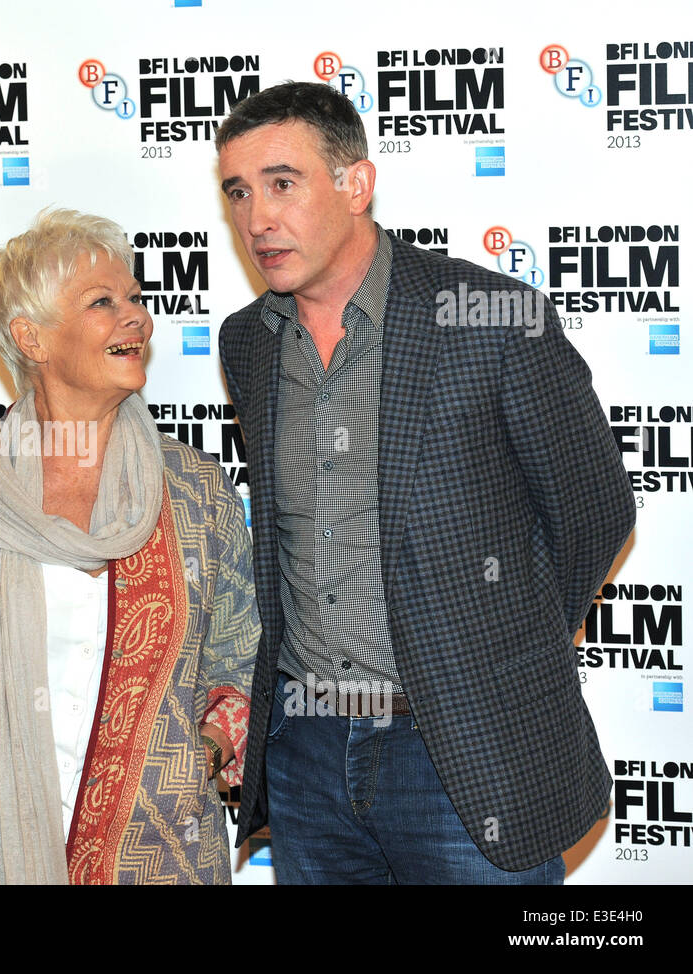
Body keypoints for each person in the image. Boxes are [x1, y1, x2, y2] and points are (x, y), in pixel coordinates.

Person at [216, 81, 634, 884]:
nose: (257, 217)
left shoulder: (489, 319)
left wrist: (500, 650)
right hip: (303, 751)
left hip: (458, 750)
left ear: (355, 184)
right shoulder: (250, 343)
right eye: (238, 192)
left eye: (282, 183)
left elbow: (595, 511)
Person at [0, 209, 260, 884]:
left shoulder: (193, 489)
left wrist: (204, 755)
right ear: (31, 338)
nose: (137, 319)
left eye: (136, 299)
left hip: (159, 856)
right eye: (103, 302)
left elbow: (241, 650)